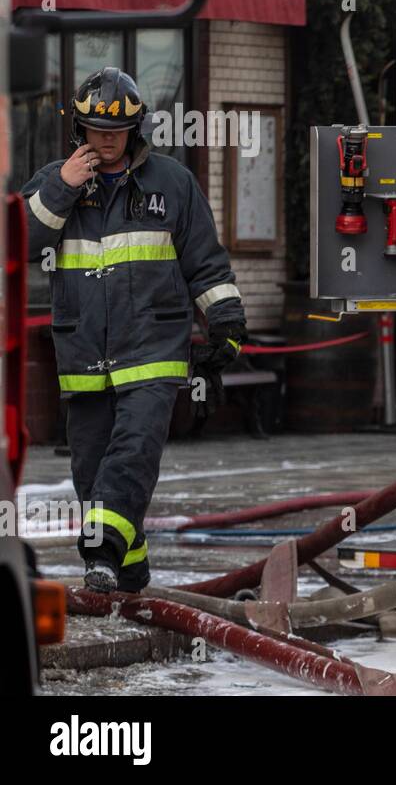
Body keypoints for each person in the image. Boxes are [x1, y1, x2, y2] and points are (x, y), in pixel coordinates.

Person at [21, 67, 247, 593]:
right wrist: (61, 189)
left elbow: (206, 264)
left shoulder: (172, 183)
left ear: (135, 129)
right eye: (95, 127)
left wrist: (226, 323)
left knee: (133, 453)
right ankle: (131, 571)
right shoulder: (54, 182)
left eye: (116, 129)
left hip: (153, 352)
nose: (106, 137)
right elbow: (19, 244)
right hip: (83, 356)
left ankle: (100, 556)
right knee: (92, 472)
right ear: (79, 128)